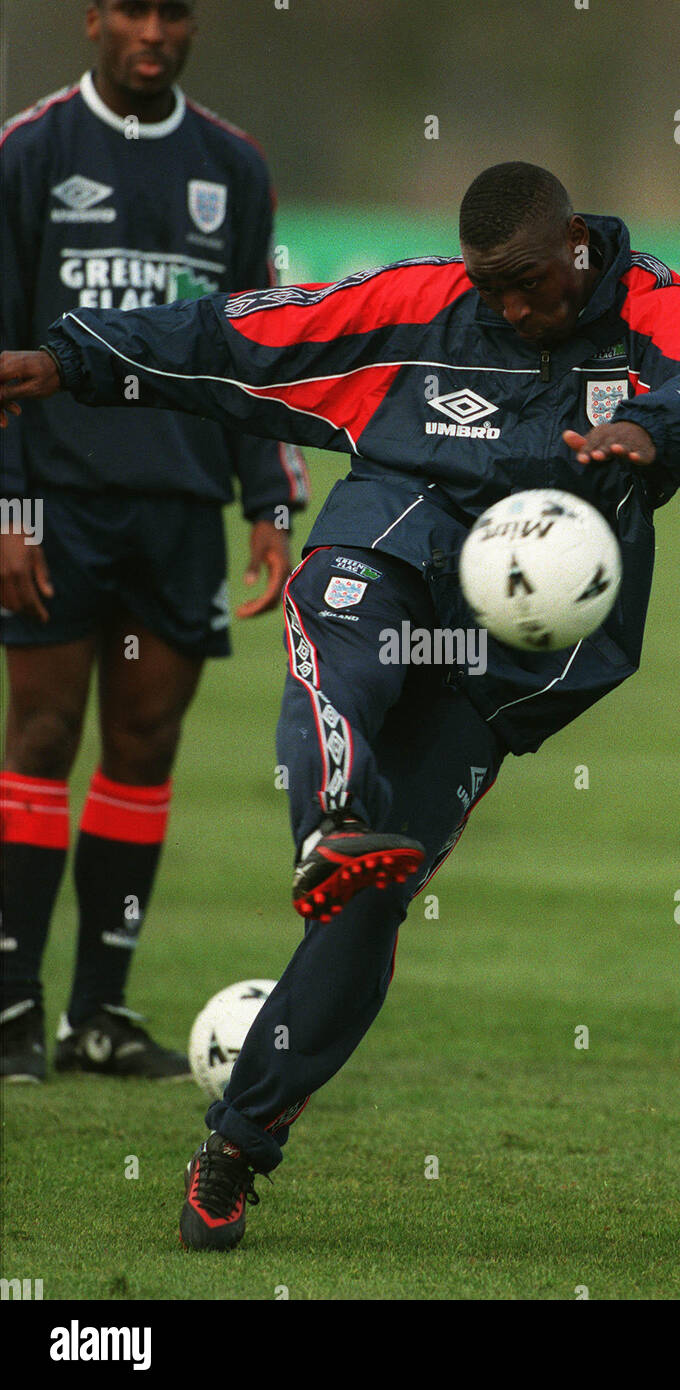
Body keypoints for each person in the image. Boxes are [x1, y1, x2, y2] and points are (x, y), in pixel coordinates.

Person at [0, 161, 680, 1247]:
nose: (512, 309)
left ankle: (235, 1147)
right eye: (491, 288)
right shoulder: (418, 303)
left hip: (503, 661)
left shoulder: (658, 310)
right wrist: (65, 361)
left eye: (531, 284)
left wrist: (649, 432)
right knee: (340, 623)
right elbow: (236, 334)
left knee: (369, 906)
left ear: (576, 242)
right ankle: (330, 822)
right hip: (393, 545)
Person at [0, 0, 309, 1083]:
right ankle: (10, 1011)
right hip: (56, 504)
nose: (153, 30)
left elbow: (259, 346)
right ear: (92, 20)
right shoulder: (29, 151)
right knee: (40, 739)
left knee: (145, 748)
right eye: (132, 8)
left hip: (179, 506)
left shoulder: (233, 163)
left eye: (174, 12)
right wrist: (8, 510)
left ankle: (99, 1014)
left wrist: (268, 498)